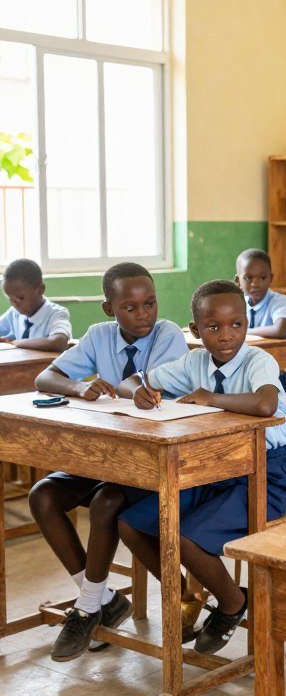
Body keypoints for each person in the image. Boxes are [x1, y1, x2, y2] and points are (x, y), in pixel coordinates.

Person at [117, 279, 286, 654]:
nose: (227, 335)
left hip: (263, 474)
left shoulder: (258, 360)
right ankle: (184, 593)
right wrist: (138, 390)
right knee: (131, 524)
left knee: (187, 537)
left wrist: (209, 398)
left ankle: (232, 602)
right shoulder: (194, 360)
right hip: (211, 469)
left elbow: (265, 404)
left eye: (237, 325)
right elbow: (136, 380)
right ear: (196, 330)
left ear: (247, 324)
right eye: (213, 328)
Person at [29, 262, 188, 661]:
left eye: (149, 303)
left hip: (155, 462)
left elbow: (149, 386)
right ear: (108, 309)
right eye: (130, 307)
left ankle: (86, 608)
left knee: (107, 502)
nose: (143, 314)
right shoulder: (99, 336)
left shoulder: (167, 335)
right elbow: (45, 378)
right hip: (107, 457)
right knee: (43, 496)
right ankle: (102, 599)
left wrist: (126, 387)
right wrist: (80, 386)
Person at [234, 248, 286, 395]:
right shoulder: (236, 303)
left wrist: (243, 331)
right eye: (248, 278)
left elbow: (280, 330)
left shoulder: (279, 300)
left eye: (262, 278)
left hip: (277, 374)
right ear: (238, 281)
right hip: (245, 373)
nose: (255, 284)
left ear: (271, 278)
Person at [0, 258, 71, 352]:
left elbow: (59, 342)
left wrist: (16, 343)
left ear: (40, 290)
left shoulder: (57, 314)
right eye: (10, 299)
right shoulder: (13, 314)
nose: (14, 304)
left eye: (20, 298)